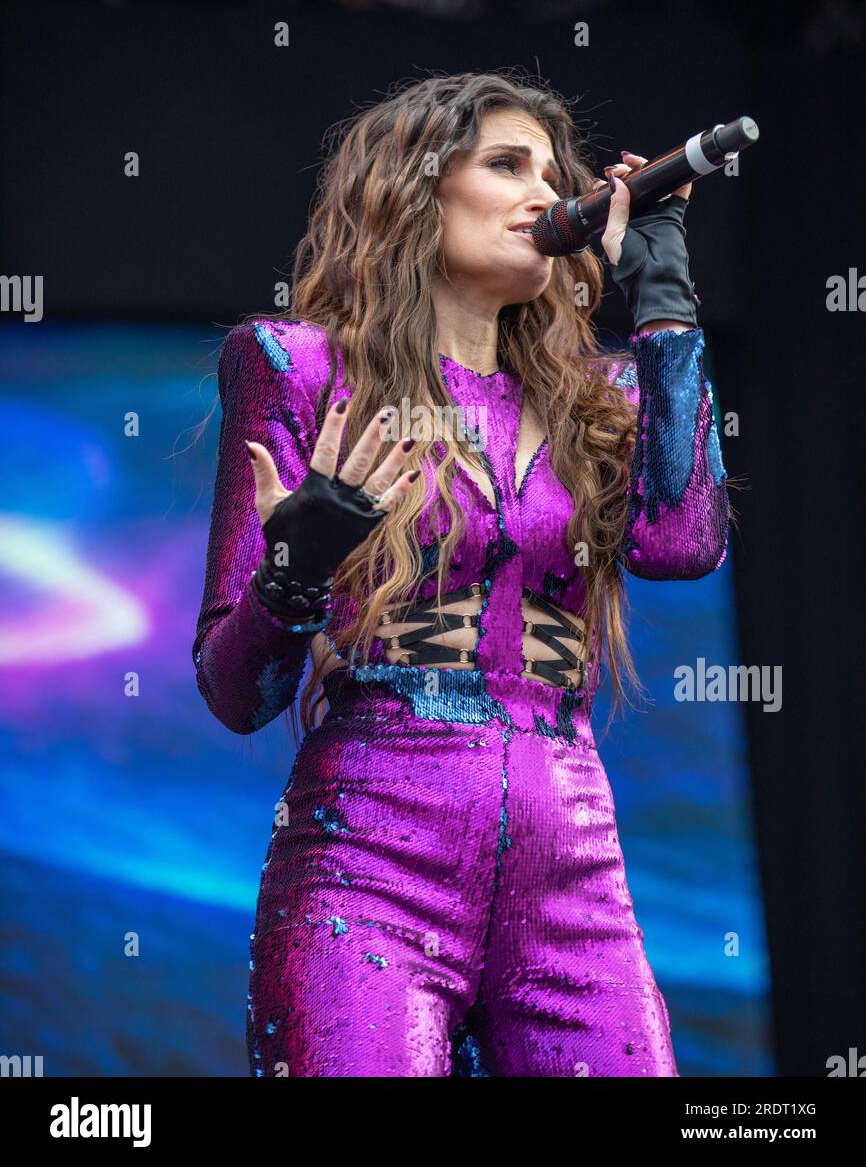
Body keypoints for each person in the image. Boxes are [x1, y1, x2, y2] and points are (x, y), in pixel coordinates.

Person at [192, 70, 729, 1077]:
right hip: (368, 868)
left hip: (572, 874)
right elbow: (237, 691)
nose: (543, 193)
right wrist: (296, 569)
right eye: (505, 165)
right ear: (415, 193)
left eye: (553, 174)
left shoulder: (597, 399)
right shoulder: (295, 365)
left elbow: (680, 545)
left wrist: (662, 296)